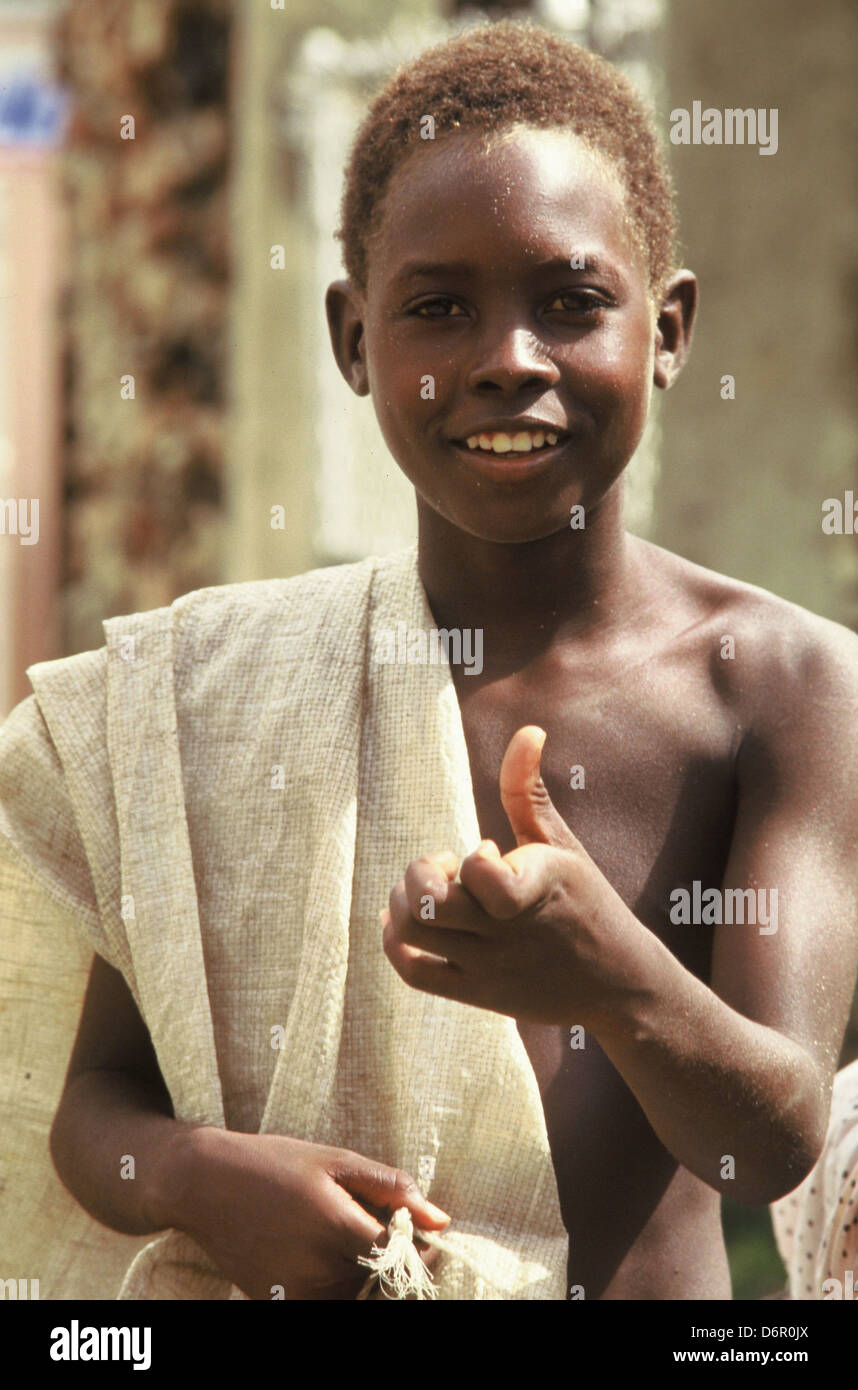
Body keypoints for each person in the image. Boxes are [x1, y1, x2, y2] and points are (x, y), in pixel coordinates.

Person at [2, 20, 857, 1301]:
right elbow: (95, 1112)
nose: (507, 360)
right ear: (356, 340)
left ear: (669, 331)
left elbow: (767, 1140)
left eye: (572, 302)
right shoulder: (209, 698)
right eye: (437, 308)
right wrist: (195, 1176)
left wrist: (612, 977)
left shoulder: (786, 690)